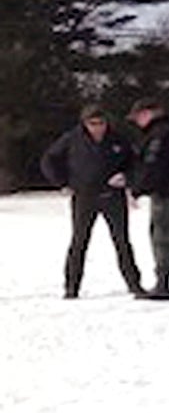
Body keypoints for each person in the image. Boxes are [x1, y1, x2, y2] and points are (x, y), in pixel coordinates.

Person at [40, 103, 147, 299]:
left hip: (112, 196)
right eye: (92, 123)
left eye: (101, 123)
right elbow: (49, 160)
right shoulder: (72, 139)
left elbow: (136, 163)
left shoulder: (119, 139)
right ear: (85, 123)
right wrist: (61, 182)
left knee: (122, 242)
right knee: (79, 242)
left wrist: (127, 177)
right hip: (84, 197)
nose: (97, 127)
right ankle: (71, 287)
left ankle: (135, 285)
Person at [128, 97, 169, 297]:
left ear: (149, 113)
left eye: (138, 116)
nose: (137, 121)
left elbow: (152, 167)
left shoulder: (158, 136)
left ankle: (163, 283)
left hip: (165, 194)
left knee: (162, 236)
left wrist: (138, 189)